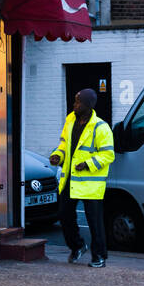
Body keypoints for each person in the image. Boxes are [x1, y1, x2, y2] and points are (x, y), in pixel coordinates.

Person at [49, 88, 115, 267]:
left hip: (90, 182)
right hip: (71, 177)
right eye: (75, 101)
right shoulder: (70, 120)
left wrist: (87, 164)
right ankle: (77, 246)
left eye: (78, 102)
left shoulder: (101, 127)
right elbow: (64, 144)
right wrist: (58, 156)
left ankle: (99, 257)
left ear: (89, 105)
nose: (74, 104)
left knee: (95, 222)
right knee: (64, 214)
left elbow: (108, 155)